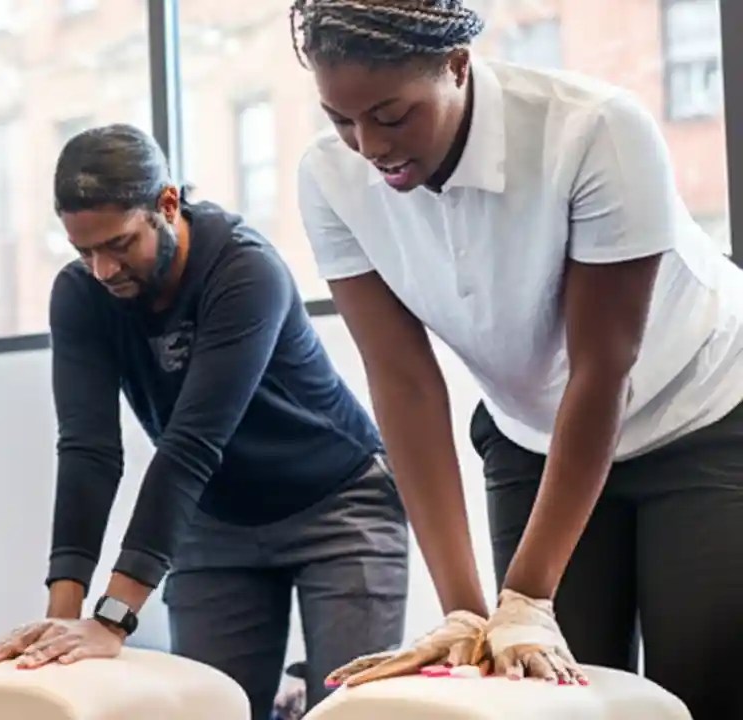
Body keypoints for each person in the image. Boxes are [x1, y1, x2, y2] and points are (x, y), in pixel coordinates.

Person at [289, 1, 743, 717]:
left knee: (698, 682)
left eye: (392, 114)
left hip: (704, 412)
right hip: (531, 431)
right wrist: (465, 613)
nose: (368, 145)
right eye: (340, 119)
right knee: (538, 686)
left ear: (458, 66)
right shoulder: (327, 180)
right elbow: (404, 385)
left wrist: (528, 594)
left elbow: (603, 367)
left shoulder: (594, 129)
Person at [0, 124, 410, 719]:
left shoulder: (245, 271)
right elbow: (88, 450)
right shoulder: (81, 294)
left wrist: (113, 617)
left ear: (167, 205)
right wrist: (60, 624)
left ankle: (301, 699)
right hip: (215, 521)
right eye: (83, 251)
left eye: (119, 244)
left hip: (338, 504)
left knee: (350, 710)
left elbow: (191, 445)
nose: (102, 269)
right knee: (208, 708)